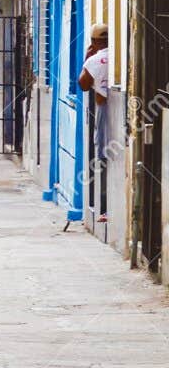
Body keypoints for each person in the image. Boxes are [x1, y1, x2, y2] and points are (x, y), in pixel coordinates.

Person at [78, 24, 111, 227]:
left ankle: (105, 208)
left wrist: (86, 61)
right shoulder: (119, 55)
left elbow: (82, 85)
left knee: (103, 155)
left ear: (94, 41)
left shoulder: (94, 59)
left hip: (103, 111)